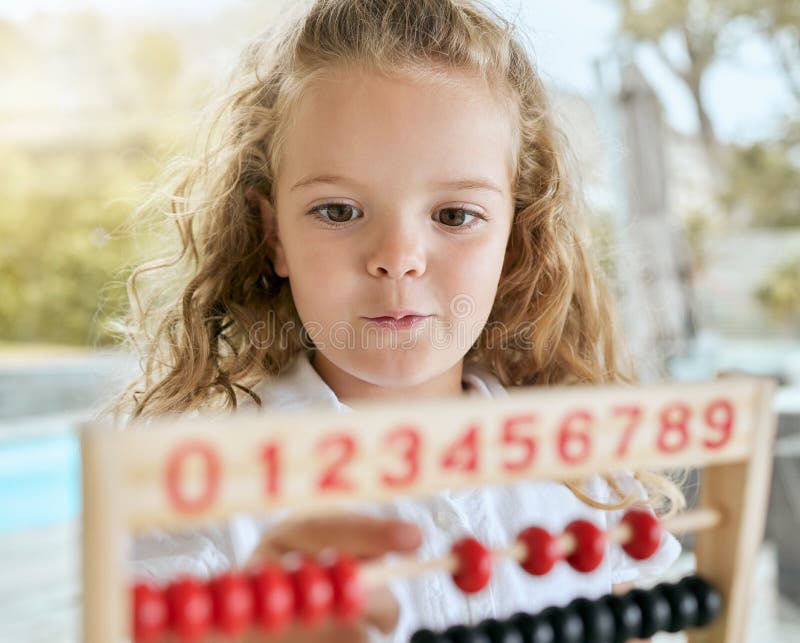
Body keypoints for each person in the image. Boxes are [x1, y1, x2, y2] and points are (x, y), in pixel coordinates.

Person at [105, 1, 685, 641]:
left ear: (516, 240)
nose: (397, 259)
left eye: (455, 215)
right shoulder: (194, 495)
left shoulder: (585, 477)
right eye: (338, 211)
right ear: (273, 234)